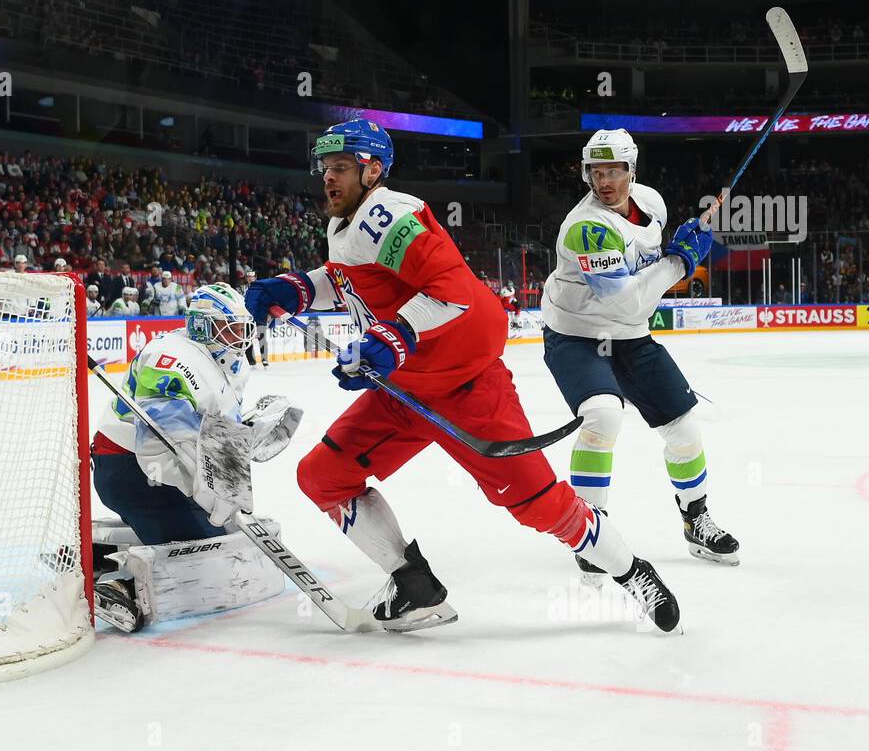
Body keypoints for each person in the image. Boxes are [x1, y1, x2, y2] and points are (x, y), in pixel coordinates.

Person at [243, 119, 681, 634]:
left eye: (341, 168)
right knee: (322, 476)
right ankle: (413, 585)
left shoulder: (389, 215)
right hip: (404, 391)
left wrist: (393, 337)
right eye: (326, 169)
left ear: (373, 170)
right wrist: (294, 289)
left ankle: (633, 571)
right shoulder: (345, 223)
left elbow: (452, 291)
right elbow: (348, 278)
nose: (329, 179)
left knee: (540, 507)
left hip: (466, 387)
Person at [540, 129, 739, 579]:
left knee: (685, 429)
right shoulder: (587, 227)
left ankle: (696, 518)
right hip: (577, 336)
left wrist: (680, 246)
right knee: (604, 417)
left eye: (614, 171)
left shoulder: (650, 203)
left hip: (631, 336)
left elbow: (633, 304)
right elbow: (623, 299)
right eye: (596, 171)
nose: (604, 180)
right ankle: (590, 531)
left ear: (632, 171)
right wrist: (681, 261)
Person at [90, 283, 303, 631]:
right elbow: (159, 442)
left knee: (223, 536)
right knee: (205, 550)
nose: (241, 337)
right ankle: (121, 586)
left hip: (170, 470)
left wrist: (245, 438)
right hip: (132, 471)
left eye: (243, 327)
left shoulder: (230, 364)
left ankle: (110, 551)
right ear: (203, 326)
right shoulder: (171, 357)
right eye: (231, 328)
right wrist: (207, 492)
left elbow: (212, 434)